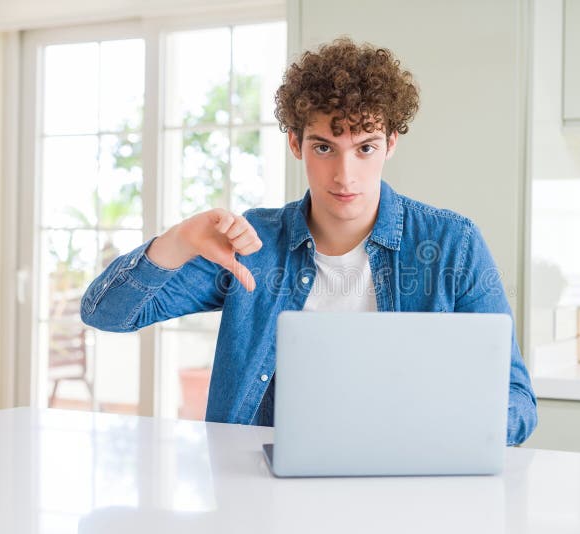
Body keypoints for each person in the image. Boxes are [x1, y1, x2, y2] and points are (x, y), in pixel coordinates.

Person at [81, 37, 537, 445]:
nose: (345, 175)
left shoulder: (452, 243)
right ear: (296, 145)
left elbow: (517, 401)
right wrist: (178, 241)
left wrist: (446, 427)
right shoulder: (252, 243)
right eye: (324, 148)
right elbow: (105, 313)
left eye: (365, 148)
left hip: (406, 487)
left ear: (391, 143)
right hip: (261, 493)